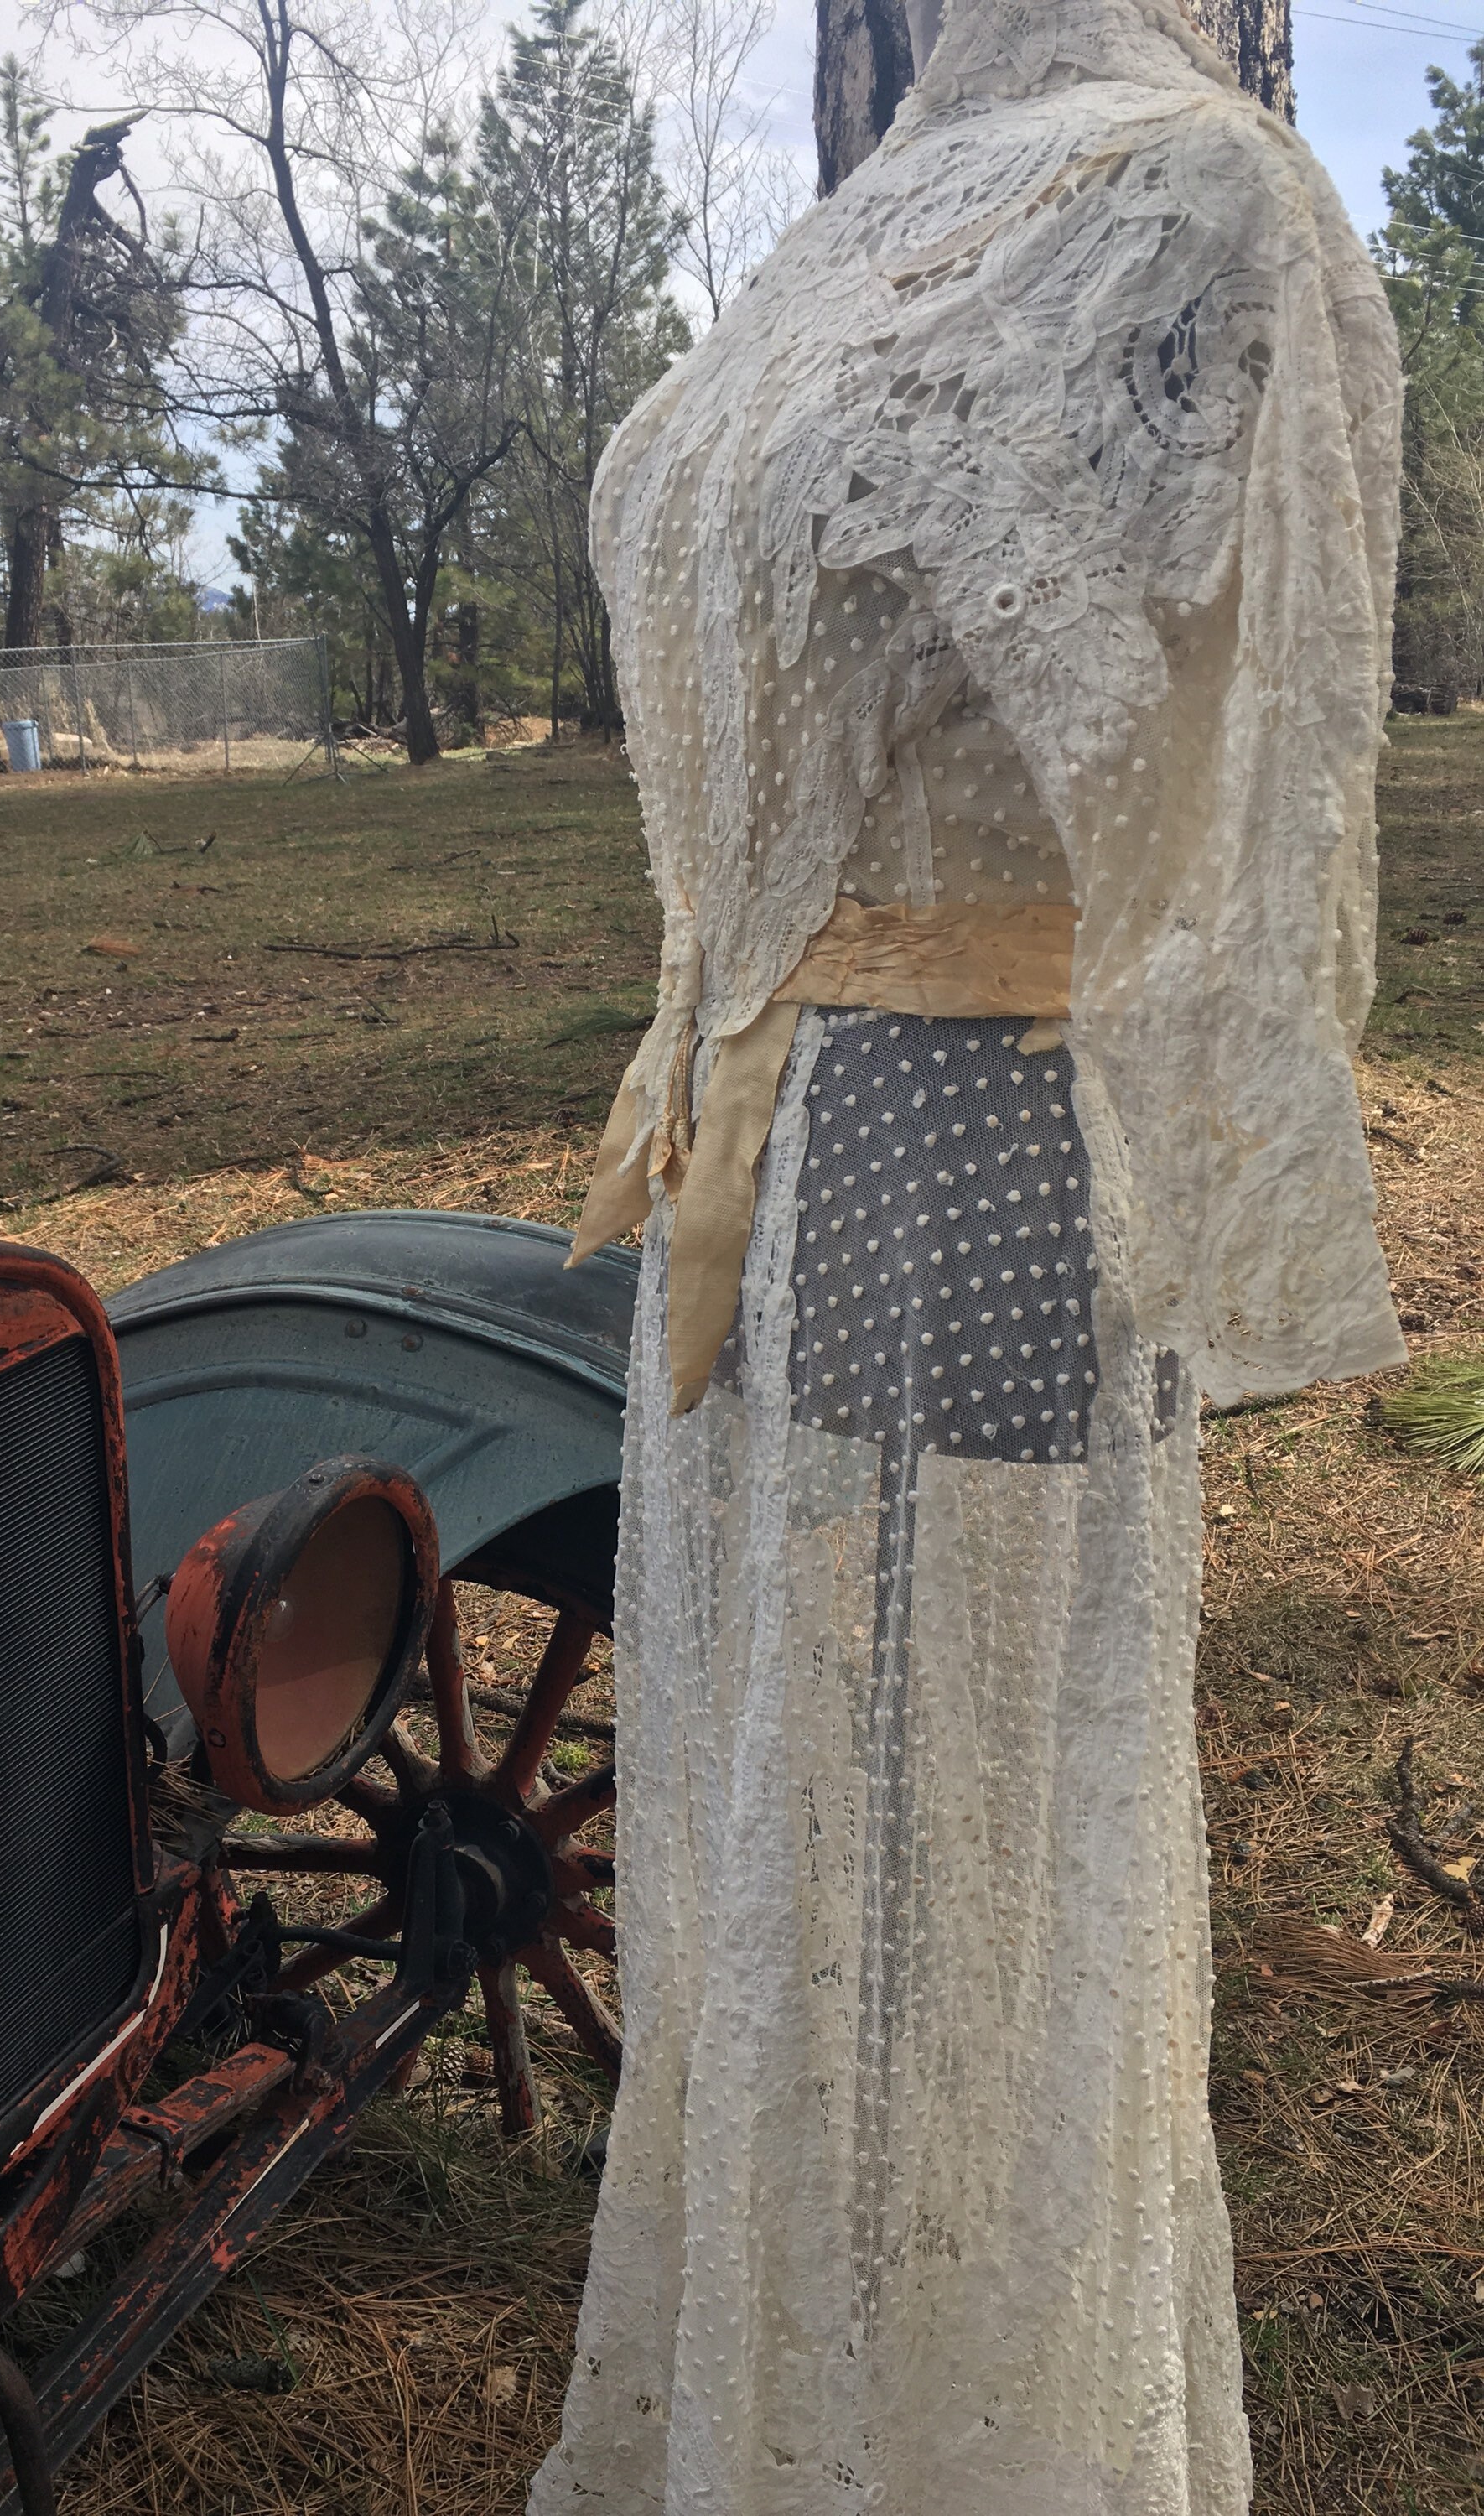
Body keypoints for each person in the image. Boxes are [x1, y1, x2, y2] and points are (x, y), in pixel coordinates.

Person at [536, 0, 1403, 2503]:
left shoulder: (1192, 194)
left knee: (980, 1860)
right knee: (779, 1827)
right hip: (753, 1141)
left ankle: (989, 2417)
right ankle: (794, 2385)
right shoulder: (863, 213)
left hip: (974, 1137)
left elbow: (1245, 781)